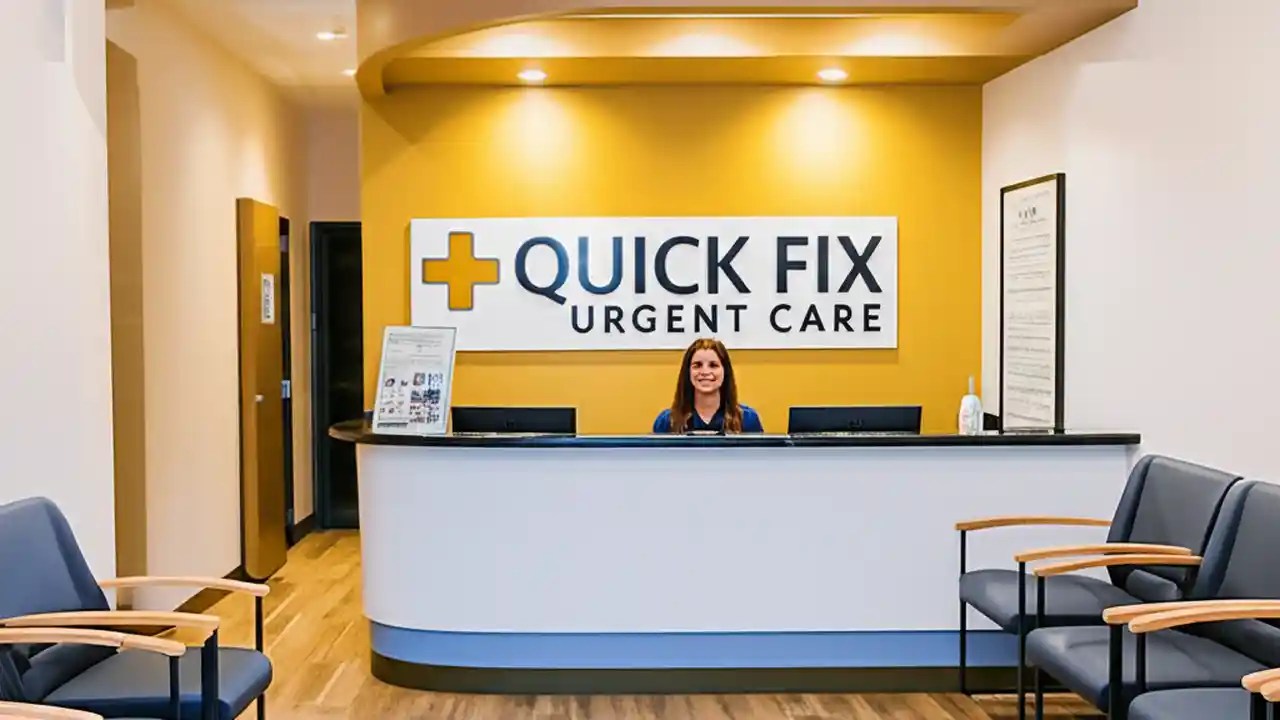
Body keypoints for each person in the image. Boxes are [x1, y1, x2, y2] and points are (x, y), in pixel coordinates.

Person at [652, 338, 764, 433]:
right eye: (697, 365)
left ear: (725, 372)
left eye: (713, 365)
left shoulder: (748, 419)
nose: (705, 372)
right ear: (688, 372)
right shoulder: (666, 421)